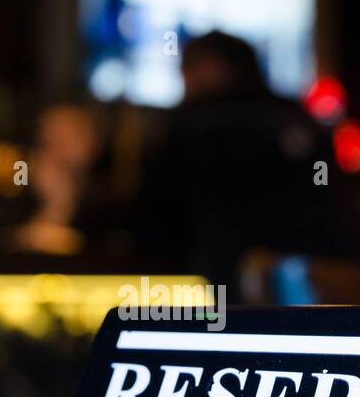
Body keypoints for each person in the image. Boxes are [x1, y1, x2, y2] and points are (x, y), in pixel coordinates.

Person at [139, 31, 338, 291]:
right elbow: (331, 205)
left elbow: (154, 216)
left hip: (209, 290)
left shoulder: (191, 126)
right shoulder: (298, 119)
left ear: (212, 68)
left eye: (186, 71)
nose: (184, 83)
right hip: (303, 286)